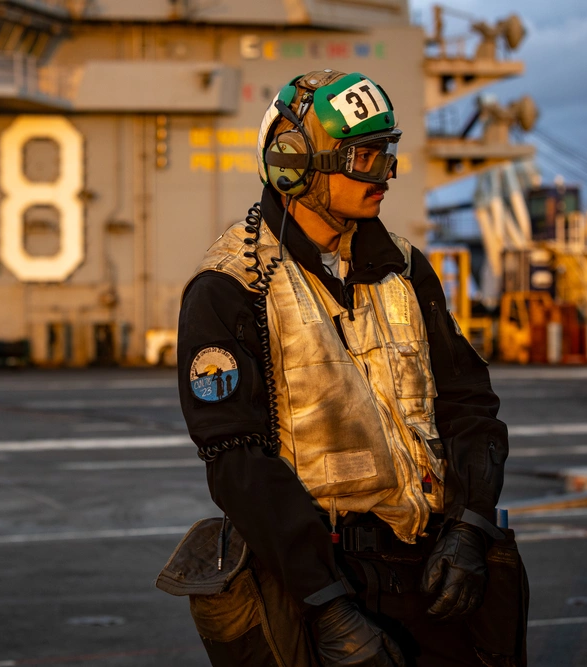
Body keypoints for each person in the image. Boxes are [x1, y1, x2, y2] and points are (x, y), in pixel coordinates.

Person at [171, 70, 527, 666]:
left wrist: (469, 525)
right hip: (323, 582)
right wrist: (327, 606)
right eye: (361, 156)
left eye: (386, 154)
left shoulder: (407, 270)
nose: (382, 174)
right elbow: (237, 461)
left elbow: (470, 405)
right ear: (293, 163)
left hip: (437, 574)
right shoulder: (229, 287)